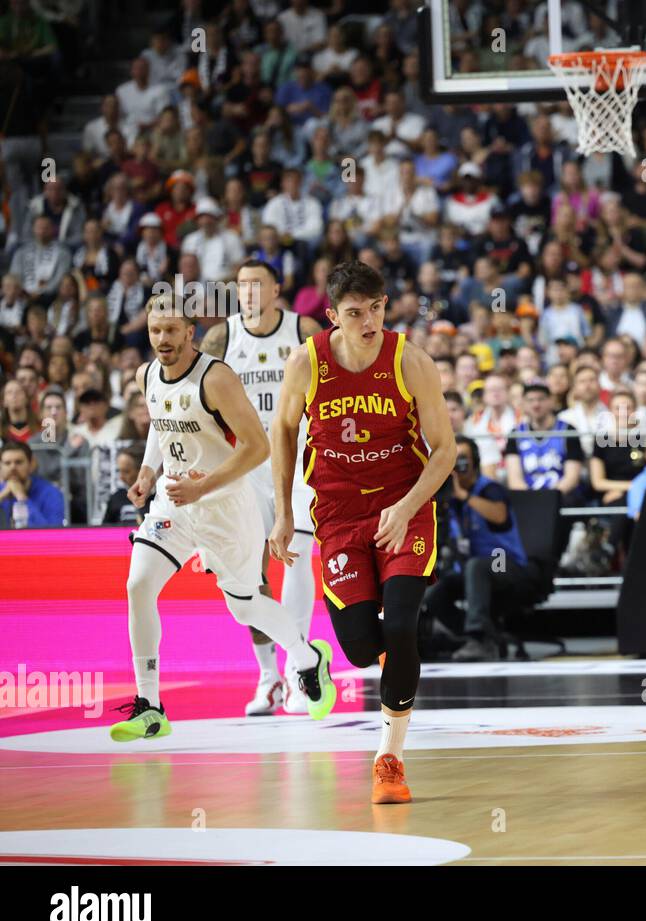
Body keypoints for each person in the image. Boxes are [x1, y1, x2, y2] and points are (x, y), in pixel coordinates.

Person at [269, 261, 455, 804]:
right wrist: (284, 513)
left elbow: (444, 450)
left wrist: (407, 505)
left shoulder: (410, 361)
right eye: (355, 313)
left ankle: (388, 759)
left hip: (406, 504)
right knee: (358, 646)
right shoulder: (307, 363)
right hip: (338, 513)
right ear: (332, 316)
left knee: (401, 626)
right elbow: (281, 430)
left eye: (376, 308)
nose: (369, 321)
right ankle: (343, 658)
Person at [111, 296, 335, 743]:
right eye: (155, 331)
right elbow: (162, 417)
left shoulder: (217, 378)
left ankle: (308, 659)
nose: (162, 340)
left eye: (171, 331)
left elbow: (258, 447)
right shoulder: (146, 374)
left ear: (190, 332)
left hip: (226, 505)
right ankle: (150, 705)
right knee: (138, 586)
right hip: (173, 502)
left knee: (244, 605)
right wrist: (148, 471)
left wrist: (204, 485)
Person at [199, 259, 324, 716]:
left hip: (298, 457)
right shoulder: (221, 338)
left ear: (277, 289)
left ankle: (297, 672)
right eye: (242, 285)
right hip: (247, 464)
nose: (248, 291)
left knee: (297, 556)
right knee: (249, 571)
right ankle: (268, 676)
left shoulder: (303, 329)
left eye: (257, 284)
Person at [422, 436, 537, 662]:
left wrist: (465, 496)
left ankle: (479, 637)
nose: (457, 467)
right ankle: (475, 636)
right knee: (436, 590)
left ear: (475, 462)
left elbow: (500, 516)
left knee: (477, 567)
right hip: (473, 568)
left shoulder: (490, 489)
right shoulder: (449, 498)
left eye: (462, 460)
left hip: (504, 561)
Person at [0, 439, 64, 528]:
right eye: (7, 463)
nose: (12, 467)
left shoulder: (51, 493)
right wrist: (1, 497)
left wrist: (21, 497)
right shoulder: (1, 491)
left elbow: (53, 534)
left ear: (31, 465)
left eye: (18, 462)